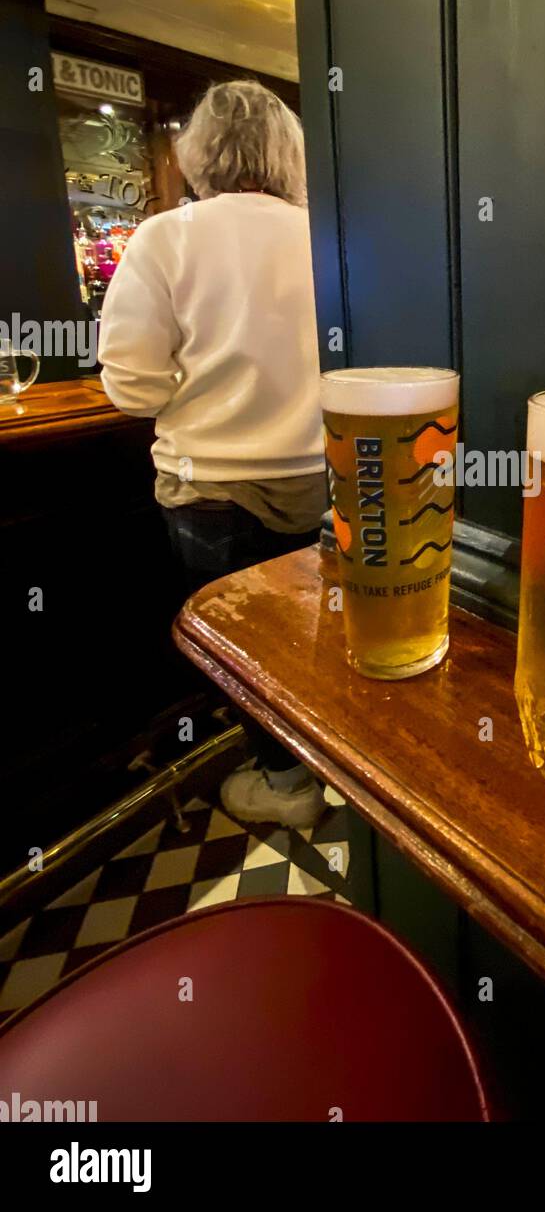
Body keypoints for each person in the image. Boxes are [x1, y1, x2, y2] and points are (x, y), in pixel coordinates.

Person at [98, 80, 329, 828]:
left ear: (195, 153)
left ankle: (286, 785)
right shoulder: (327, 235)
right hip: (324, 480)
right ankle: (347, 768)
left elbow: (130, 386)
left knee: (243, 650)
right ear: (288, 154)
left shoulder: (166, 237)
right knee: (320, 638)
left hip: (212, 486)